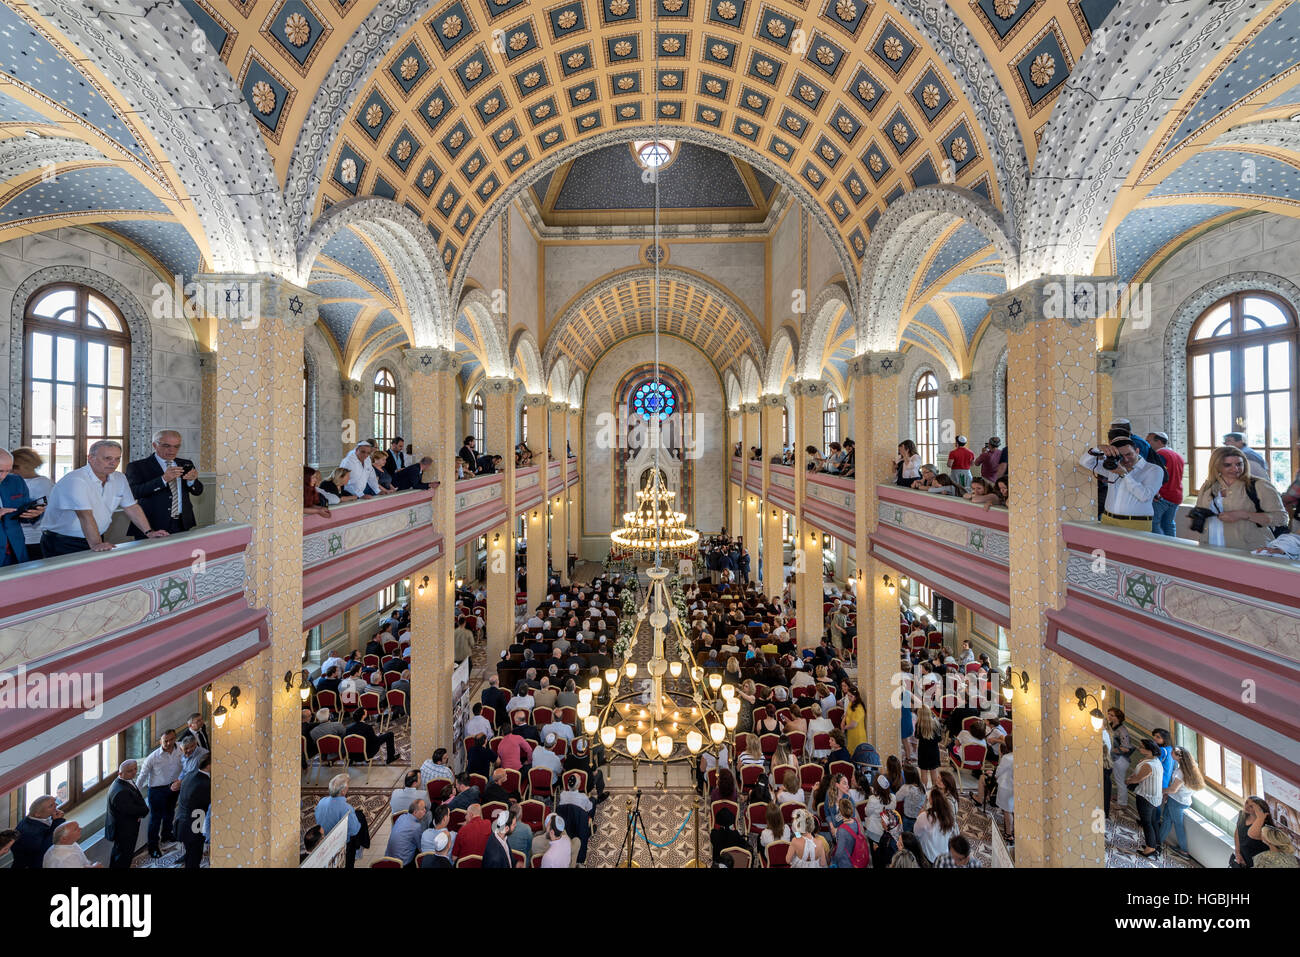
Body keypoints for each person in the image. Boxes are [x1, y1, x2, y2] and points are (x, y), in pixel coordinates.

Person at [39, 440, 169, 555]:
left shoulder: (119, 478)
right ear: (90, 458)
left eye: (117, 459)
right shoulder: (76, 480)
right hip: (63, 541)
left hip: (94, 537)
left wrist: (149, 532)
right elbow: (85, 515)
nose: (113, 463)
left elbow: (131, 507)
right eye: (107, 458)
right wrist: (96, 544)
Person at [1191, 445, 1286, 551]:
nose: (1235, 469)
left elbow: (1281, 518)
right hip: (1211, 545)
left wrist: (1244, 515)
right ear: (1216, 466)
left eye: (1239, 464)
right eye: (1228, 465)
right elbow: (1199, 509)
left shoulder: (1259, 485)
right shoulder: (1208, 486)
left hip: (1249, 549)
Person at [125, 429, 203, 537]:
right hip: (151, 525)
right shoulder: (137, 466)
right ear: (154, 445)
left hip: (183, 522)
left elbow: (198, 491)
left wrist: (192, 481)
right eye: (167, 446)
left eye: (176, 446)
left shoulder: (186, 463)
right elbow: (134, 493)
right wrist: (163, 480)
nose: (172, 450)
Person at [1078, 437, 1163, 530]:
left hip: (1136, 523)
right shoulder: (1114, 467)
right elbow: (1084, 462)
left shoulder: (1153, 470)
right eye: (1121, 456)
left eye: (1129, 454)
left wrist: (1124, 474)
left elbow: (1145, 496)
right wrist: (1098, 449)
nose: (1126, 459)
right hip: (1108, 520)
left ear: (1137, 451)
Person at [136, 729, 183, 858]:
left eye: (171, 739)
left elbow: (186, 764)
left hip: (173, 787)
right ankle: (153, 847)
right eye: (165, 741)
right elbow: (142, 777)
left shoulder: (181, 748)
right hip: (157, 791)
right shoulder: (152, 758)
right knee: (155, 819)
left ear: (175, 738)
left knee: (170, 813)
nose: (168, 743)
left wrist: (180, 781)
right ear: (160, 741)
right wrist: (135, 794)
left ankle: (167, 835)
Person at [1157, 745, 1204, 860]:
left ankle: (1184, 850)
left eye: (1173, 752)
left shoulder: (1180, 772)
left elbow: (1173, 789)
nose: (1171, 753)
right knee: (1167, 819)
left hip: (1176, 801)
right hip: (1183, 800)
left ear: (1178, 756)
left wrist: (1160, 791)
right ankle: (1158, 842)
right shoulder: (1192, 766)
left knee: (1177, 825)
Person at [0, 448, 45, 564]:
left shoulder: (16, 481)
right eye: (0, 471)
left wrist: (34, 515)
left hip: (16, 550)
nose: (3, 476)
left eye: (8, 471)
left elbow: (21, 512)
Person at [315, 774, 369, 868]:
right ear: (343, 791)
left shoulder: (322, 801)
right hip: (342, 845)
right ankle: (360, 848)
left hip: (324, 840)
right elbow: (354, 831)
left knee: (358, 815)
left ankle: (362, 845)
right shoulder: (347, 808)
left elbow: (317, 818)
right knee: (360, 819)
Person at [103, 759, 150, 868]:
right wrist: (144, 810)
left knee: (124, 855)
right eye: (130, 771)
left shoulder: (126, 780)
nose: (134, 772)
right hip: (124, 830)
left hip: (127, 827)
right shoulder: (120, 791)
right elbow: (130, 810)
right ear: (120, 773)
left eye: (135, 769)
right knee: (123, 857)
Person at [1126, 738, 1164, 858]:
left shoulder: (1148, 765)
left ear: (1149, 750)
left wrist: (1128, 780)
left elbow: (1138, 779)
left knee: (1146, 823)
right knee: (1153, 822)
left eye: (1142, 747)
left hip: (1146, 797)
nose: (1139, 748)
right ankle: (1155, 845)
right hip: (1154, 797)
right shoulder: (1155, 761)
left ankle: (1150, 848)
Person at [173, 752, 210, 869]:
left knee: (190, 855)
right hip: (193, 827)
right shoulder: (205, 784)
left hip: (182, 822)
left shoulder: (190, 774)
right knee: (194, 858)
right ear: (209, 765)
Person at [1146, 431, 1185, 537]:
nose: (1146, 444)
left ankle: (1159, 548)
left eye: (1148, 441)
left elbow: (1157, 476)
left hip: (1162, 496)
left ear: (1158, 441)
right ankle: (1172, 548)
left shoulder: (1160, 454)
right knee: (1168, 524)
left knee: (1153, 523)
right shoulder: (1178, 456)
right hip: (1176, 496)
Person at [10, 795, 63, 868]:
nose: (56, 805)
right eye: (51, 806)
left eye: (55, 802)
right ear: (38, 814)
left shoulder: (35, 818)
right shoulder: (31, 833)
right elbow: (48, 845)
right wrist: (57, 821)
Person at [913, 787, 959, 864]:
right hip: (944, 855)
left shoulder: (925, 816)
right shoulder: (949, 816)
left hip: (928, 856)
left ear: (931, 801)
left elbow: (916, 833)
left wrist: (919, 815)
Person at [385, 798, 429, 867]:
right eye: (422, 809)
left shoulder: (401, 817)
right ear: (415, 812)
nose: (425, 811)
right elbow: (421, 848)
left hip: (388, 858)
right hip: (403, 863)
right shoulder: (416, 827)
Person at [1232, 796, 1273, 868]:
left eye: (1251, 806)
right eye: (1247, 802)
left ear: (1259, 810)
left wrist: (1260, 817)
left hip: (1257, 861)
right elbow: (1237, 833)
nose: (1247, 806)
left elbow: (1253, 834)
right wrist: (1237, 852)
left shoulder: (1265, 827)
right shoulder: (1242, 815)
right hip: (1242, 857)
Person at [842, 685, 868, 754]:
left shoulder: (859, 708)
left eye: (851, 696)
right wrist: (843, 721)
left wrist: (844, 727)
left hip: (858, 734)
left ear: (856, 696)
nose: (849, 698)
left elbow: (853, 724)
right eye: (848, 695)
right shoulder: (851, 703)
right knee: (850, 752)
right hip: (851, 733)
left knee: (857, 753)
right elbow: (846, 713)